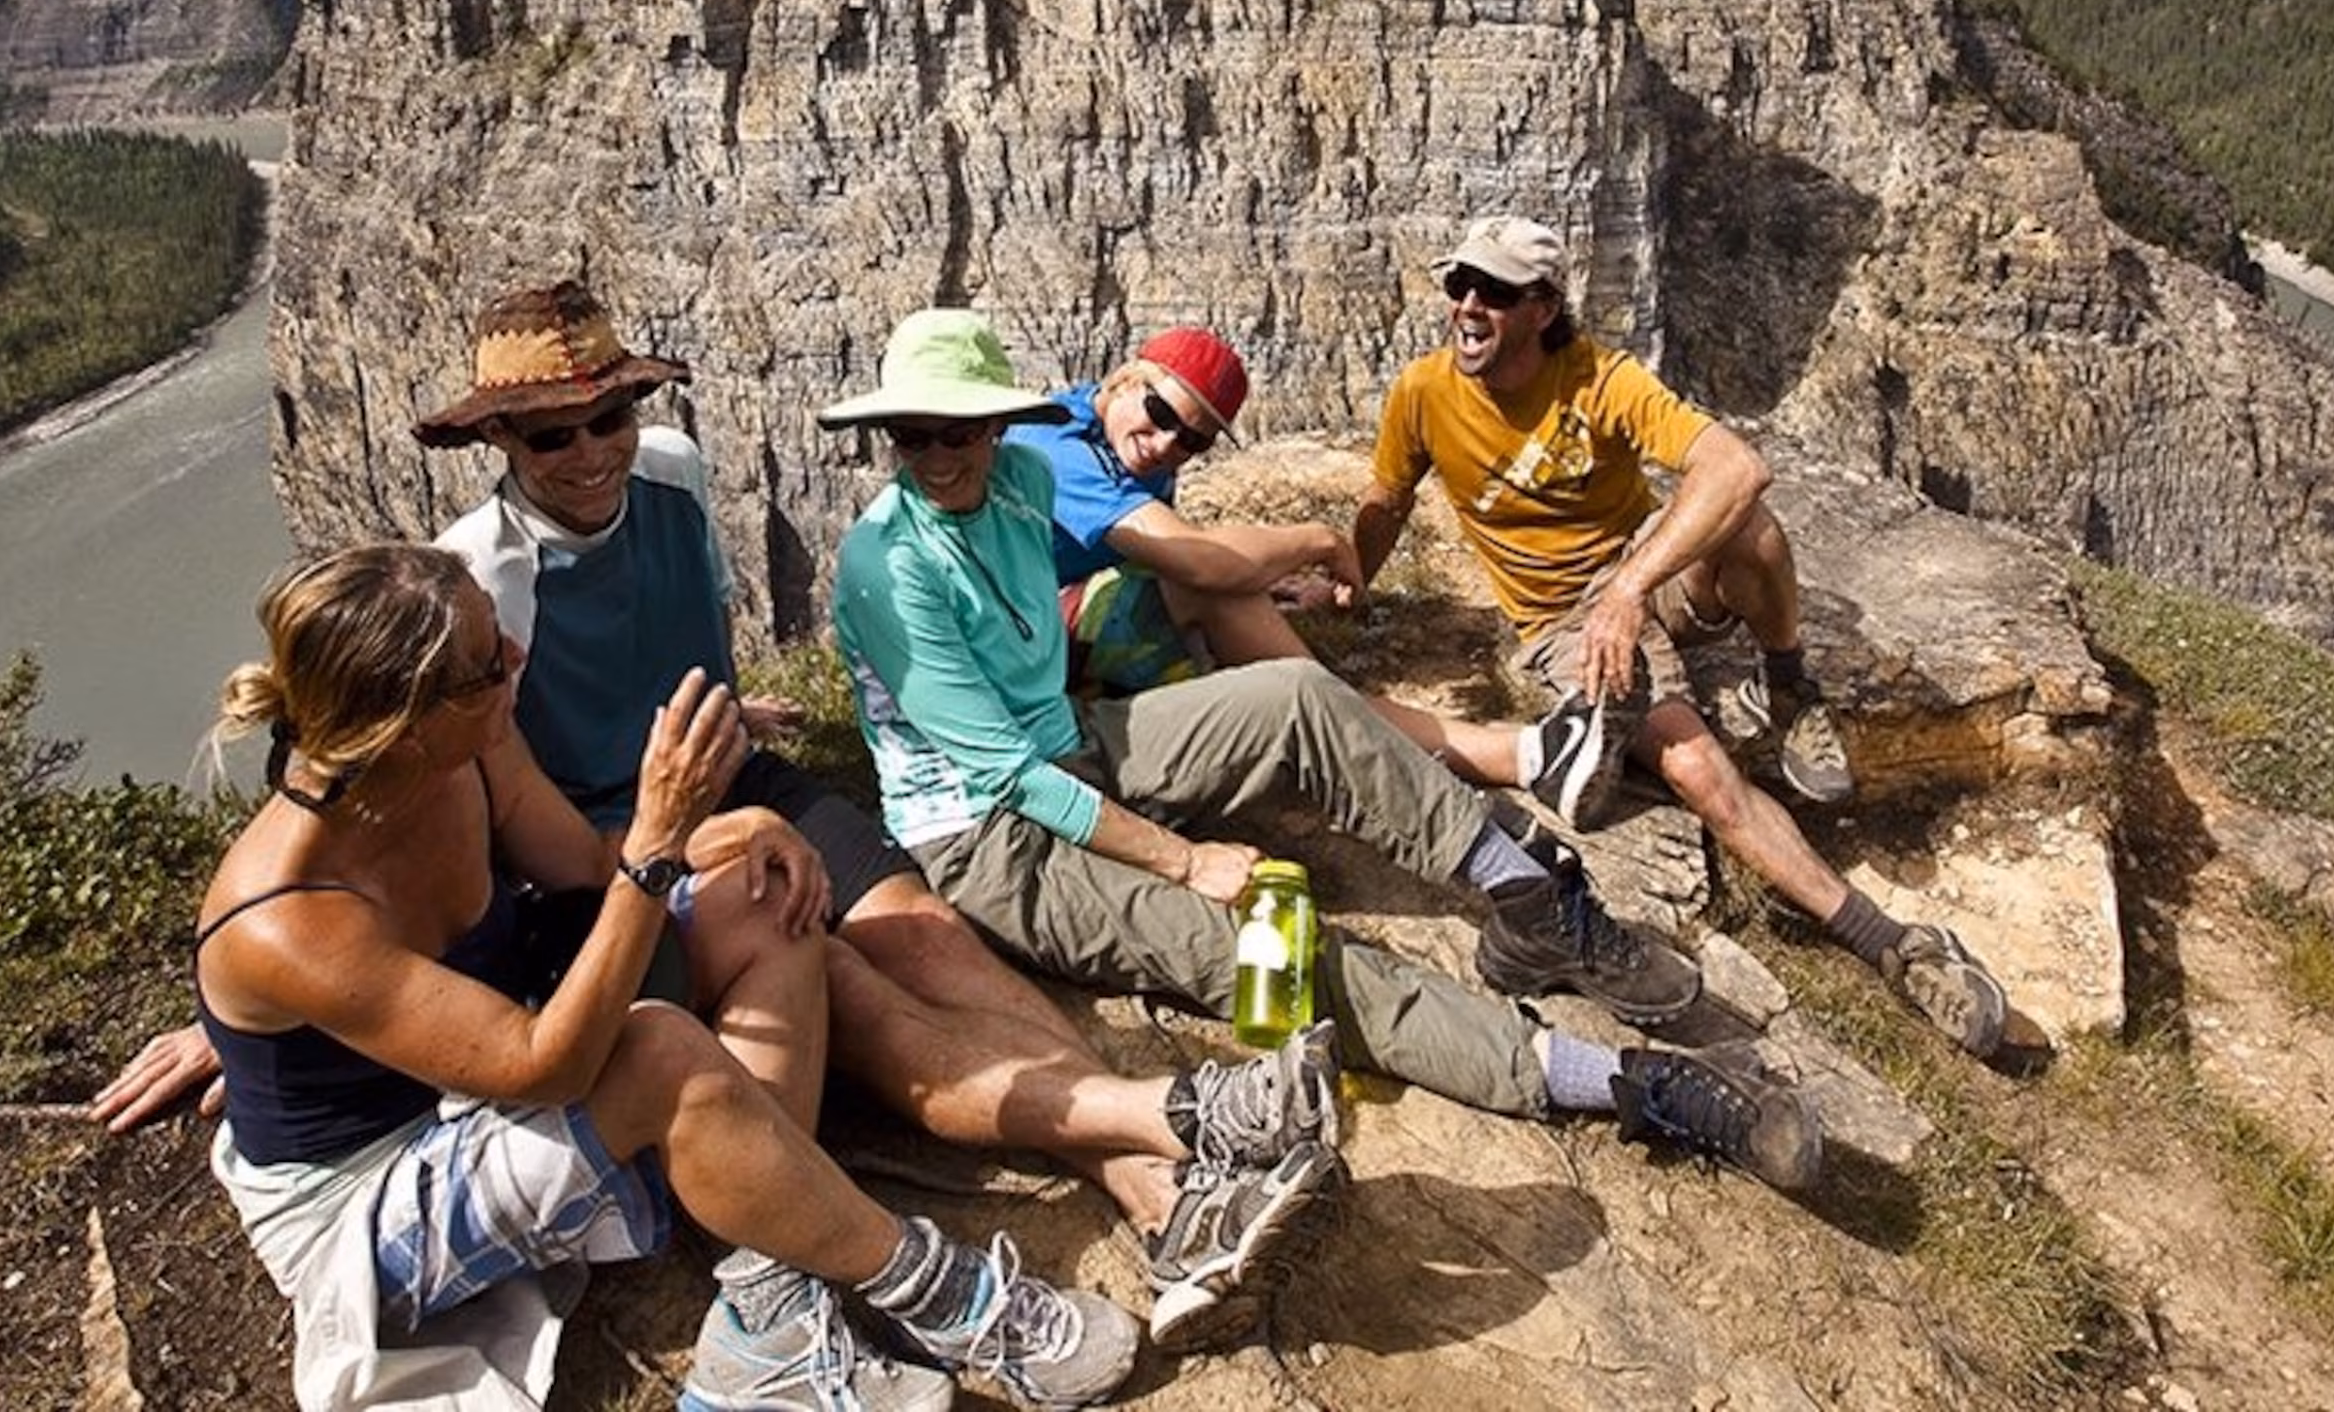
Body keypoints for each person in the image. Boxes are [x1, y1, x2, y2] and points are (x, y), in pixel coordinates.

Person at [101, 278, 1342, 1358]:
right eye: (549, 436)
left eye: (609, 416)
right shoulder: (477, 584)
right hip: (611, 833)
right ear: (501, 446)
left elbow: (666, 648)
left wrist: (730, 755)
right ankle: (1155, 1163)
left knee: (923, 935)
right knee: (853, 986)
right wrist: (239, 1020)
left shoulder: (677, 477)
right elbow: (359, 804)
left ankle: (1151, 1187)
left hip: (719, 775)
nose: (591, 451)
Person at [822, 306, 1824, 1196]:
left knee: (1297, 695)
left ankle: (1523, 896)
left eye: (957, 430)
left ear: (999, 424)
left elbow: (1133, 601)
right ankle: (1619, 1083)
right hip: (995, 833)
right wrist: (1185, 858)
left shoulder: (1025, 478)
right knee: (1279, 952)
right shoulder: (884, 565)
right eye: (911, 435)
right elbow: (1007, 776)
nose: (936, 454)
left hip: (1075, 741)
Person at [175, 541, 1137, 1412]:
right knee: (659, 1054)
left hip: (480, 1066)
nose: (516, 659)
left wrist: (727, 833)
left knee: (768, 903)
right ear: (408, 719)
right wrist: (657, 841)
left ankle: (768, 1310)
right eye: (487, 662)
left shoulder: (466, 752)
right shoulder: (286, 919)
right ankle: (947, 1297)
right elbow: (542, 1065)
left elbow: (591, 872)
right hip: (365, 1198)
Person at [1351, 215, 2012, 1060]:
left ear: (1545, 308)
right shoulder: (1423, 393)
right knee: (1700, 767)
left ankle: (1787, 684)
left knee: (1753, 528)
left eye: (1496, 293)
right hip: (1562, 619)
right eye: (1460, 287)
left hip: (1640, 575)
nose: (1468, 307)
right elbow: (1389, 499)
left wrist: (1629, 588)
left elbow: (1736, 467)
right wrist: (1350, 581)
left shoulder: (1601, 380)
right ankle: (1888, 939)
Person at [1009, 324, 1628, 819]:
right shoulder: (1062, 451)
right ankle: (1502, 755)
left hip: (1044, 637)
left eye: (1193, 442)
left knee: (1227, 597)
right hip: (1021, 666)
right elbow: (1195, 557)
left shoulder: (1114, 432)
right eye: (1160, 412)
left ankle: (1481, 751)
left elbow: (1154, 550)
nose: (1167, 443)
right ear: (1125, 378)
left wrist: (1265, 578)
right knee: (1217, 595)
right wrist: (1319, 540)